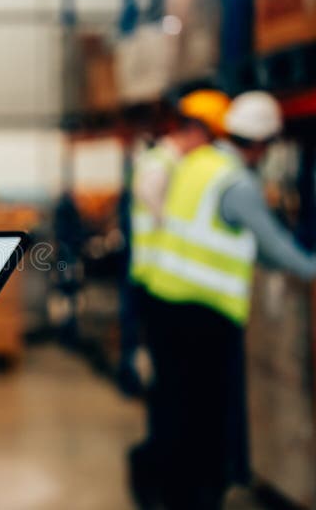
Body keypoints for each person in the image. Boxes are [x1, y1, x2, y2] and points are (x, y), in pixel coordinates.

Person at [130, 91, 316, 509]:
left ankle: (170, 492)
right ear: (260, 144)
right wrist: (311, 267)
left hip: (165, 298)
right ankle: (196, 498)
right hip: (204, 312)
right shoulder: (237, 183)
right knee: (205, 417)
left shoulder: (197, 165)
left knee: (176, 407)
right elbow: (275, 247)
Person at [120, 90, 231, 395]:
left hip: (161, 274)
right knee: (158, 361)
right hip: (151, 274)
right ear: (196, 131)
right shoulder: (161, 163)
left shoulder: (175, 163)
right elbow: (160, 211)